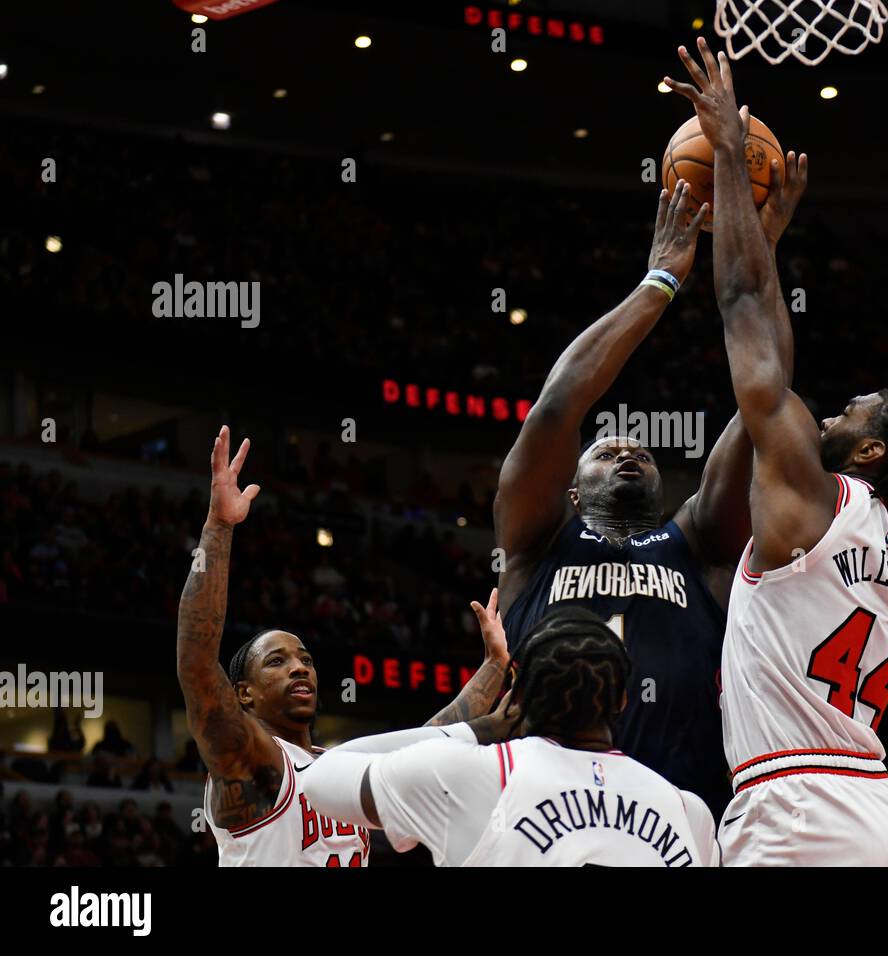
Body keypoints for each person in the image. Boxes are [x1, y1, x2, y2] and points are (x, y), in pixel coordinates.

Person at [665, 37, 888, 865]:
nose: (830, 408)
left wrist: (726, 154)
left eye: (851, 410)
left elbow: (746, 306)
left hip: (796, 808)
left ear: (866, 452)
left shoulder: (815, 503)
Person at [495, 170, 805, 820]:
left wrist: (758, 254)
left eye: (641, 452)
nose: (629, 451)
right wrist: (660, 281)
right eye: (606, 452)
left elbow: (765, 402)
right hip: (548, 813)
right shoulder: (538, 539)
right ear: (571, 493)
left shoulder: (698, 545)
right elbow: (557, 407)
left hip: (684, 818)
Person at [177, 426, 510, 866]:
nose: (299, 668)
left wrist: (494, 664)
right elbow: (198, 662)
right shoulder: (251, 761)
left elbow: (435, 739)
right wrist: (218, 527)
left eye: (306, 660)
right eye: (277, 661)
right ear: (244, 693)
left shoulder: (343, 764)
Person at [301, 607, 720, 867]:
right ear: (624, 698)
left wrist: (476, 728)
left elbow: (321, 777)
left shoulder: (473, 775)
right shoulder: (688, 811)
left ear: (517, 696)